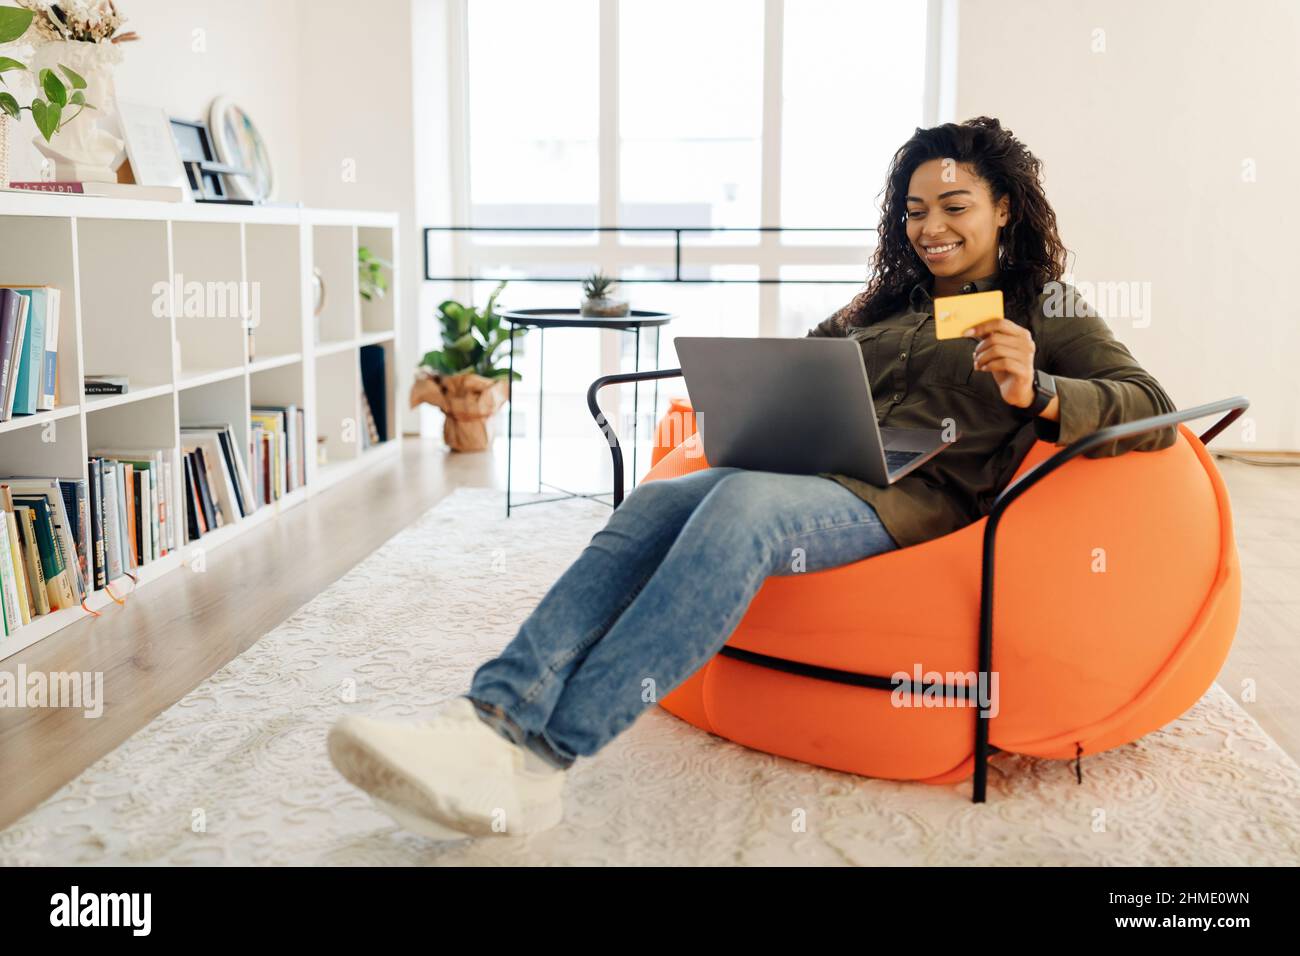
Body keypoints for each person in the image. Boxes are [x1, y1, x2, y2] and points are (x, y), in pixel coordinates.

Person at [327, 116, 1177, 840]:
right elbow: (808, 368)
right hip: (822, 465)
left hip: (913, 500)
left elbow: (1152, 402)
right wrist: (771, 383)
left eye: (955, 207)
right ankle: (488, 720)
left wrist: (1041, 390)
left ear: (1003, 209)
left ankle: (544, 758)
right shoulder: (887, 302)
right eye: (916, 210)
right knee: (659, 498)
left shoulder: (1045, 305)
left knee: (739, 509)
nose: (932, 227)